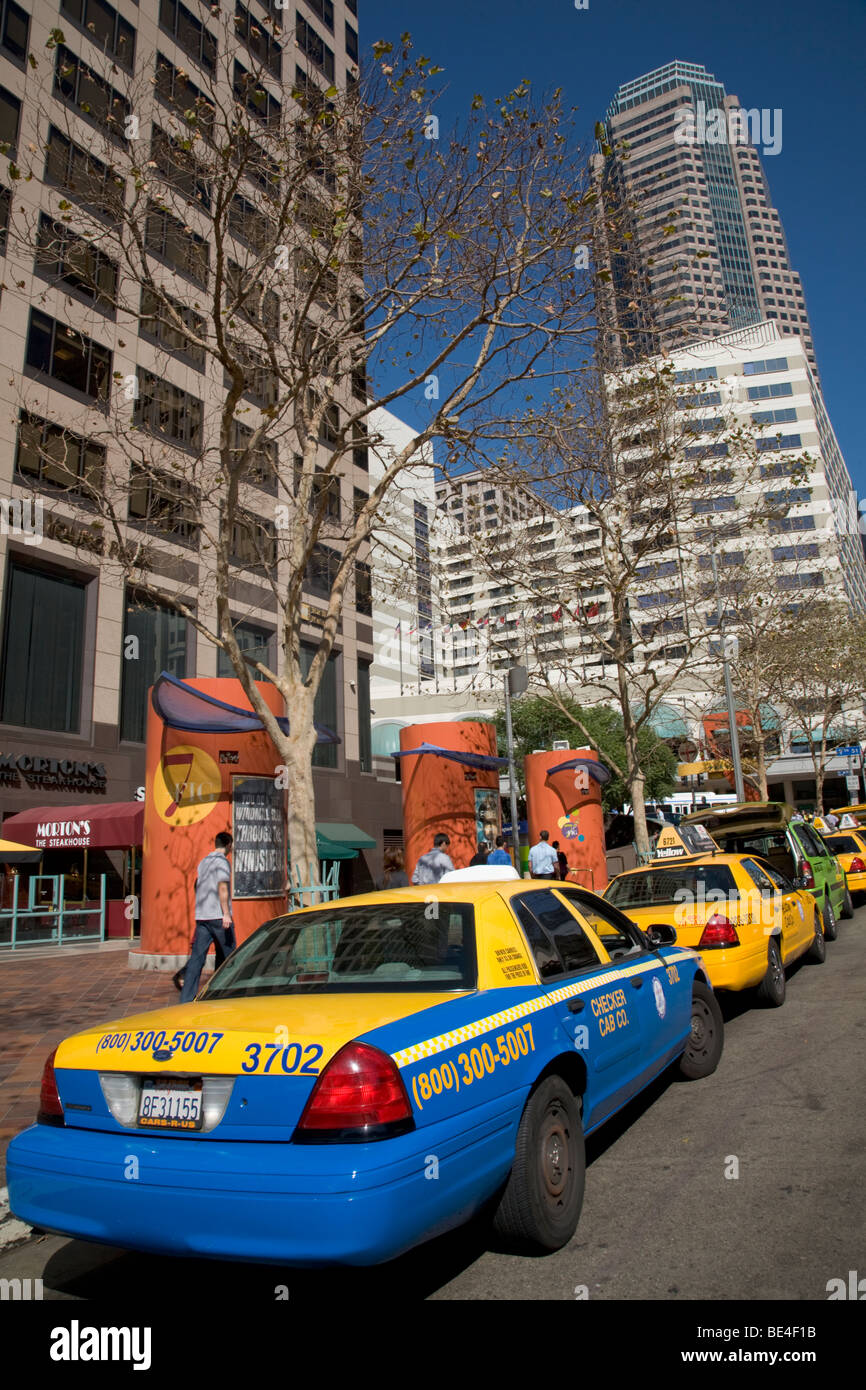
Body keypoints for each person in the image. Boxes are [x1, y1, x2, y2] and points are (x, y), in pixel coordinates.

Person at [179, 833, 236, 1003]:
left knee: (197, 959)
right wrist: (226, 913)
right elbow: (223, 888)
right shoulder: (222, 862)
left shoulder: (203, 862)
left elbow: (197, 885)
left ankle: (186, 999)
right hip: (218, 917)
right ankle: (231, 994)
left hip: (202, 917)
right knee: (231, 957)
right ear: (228, 844)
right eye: (231, 845)